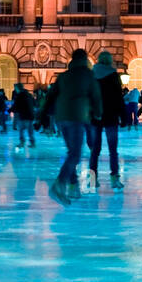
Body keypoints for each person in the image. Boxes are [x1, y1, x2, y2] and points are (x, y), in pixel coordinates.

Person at [44, 49, 102, 204]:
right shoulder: (88, 74)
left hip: (61, 117)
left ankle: (73, 186)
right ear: (85, 60)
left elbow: (50, 96)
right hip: (77, 116)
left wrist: (41, 115)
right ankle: (60, 184)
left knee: (72, 153)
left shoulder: (64, 76)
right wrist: (98, 113)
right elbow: (96, 96)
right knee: (75, 154)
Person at [90, 51, 127, 188]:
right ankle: (114, 179)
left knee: (95, 150)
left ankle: (92, 180)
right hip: (111, 115)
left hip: (95, 116)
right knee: (113, 150)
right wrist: (123, 116)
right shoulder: (113, 75)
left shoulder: (92, 74)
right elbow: (118, 97)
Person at [10, 82, 37, 149]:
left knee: (21, 130)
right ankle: (32, 143)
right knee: (29, 130)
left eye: (15, 88)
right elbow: (34, 103)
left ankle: (22, 143)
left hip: (23, 115)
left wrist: (9, 110)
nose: (15, 89)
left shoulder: (20, 95)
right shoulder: (29, 94)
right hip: (29, 115)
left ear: (18, 88)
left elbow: (16, 105)